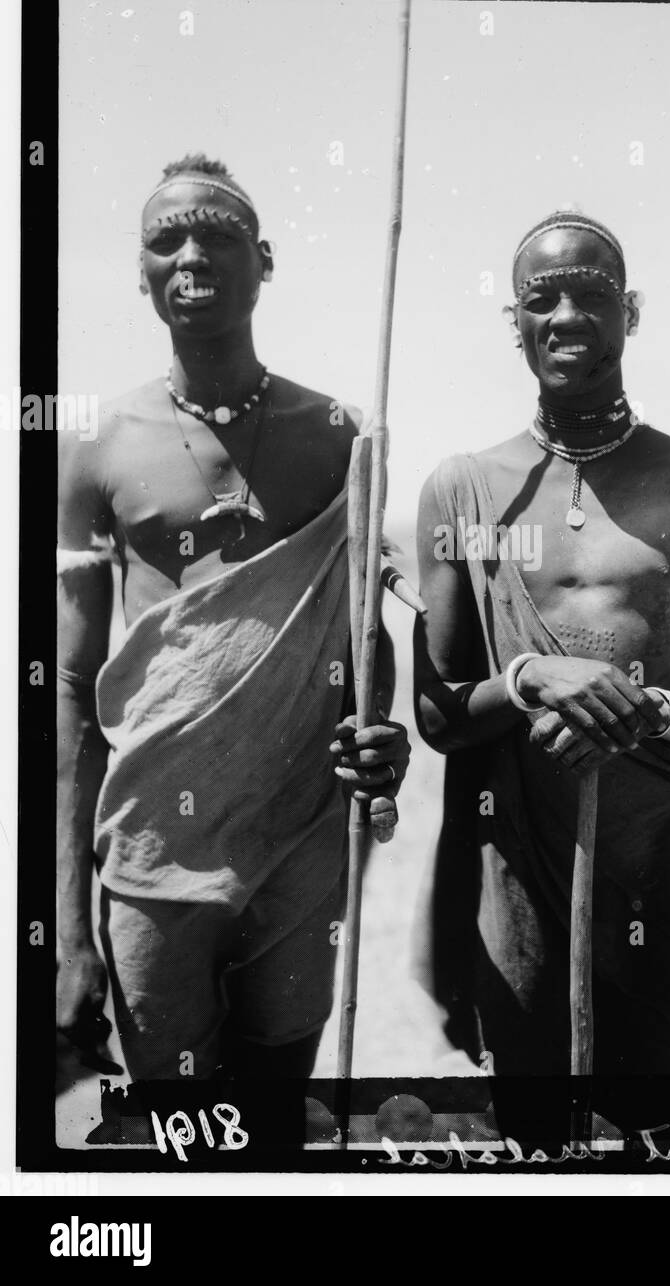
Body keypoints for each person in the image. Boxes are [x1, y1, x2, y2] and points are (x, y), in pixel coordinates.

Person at [57, 156, 411, 1131]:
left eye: (215, 231)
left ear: (263, 262)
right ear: (138, 272)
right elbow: (72, 686)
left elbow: (361, 638)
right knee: (173, 1120)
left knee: (269, 1113)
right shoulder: (96, 446)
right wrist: (66, 926)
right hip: (149, 844)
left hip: (299, 836)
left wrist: (382, 741)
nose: (189, 251)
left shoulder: (343, 435)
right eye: (164, 236)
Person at [412, 208, 670, 1142]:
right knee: (535, 1132)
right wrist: (531, 675)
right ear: (514, 322)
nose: (565, 315)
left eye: (591, 294)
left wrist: (651, 709)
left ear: (631, 312)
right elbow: (440, 714)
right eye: (541, 298)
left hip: (657, 849)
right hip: (518, 854)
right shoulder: (464, 487)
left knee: (662, 1132)